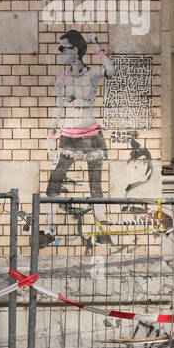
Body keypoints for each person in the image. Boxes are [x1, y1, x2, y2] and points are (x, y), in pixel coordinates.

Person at [45, 29, 115, 243]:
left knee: (95, 186)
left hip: (90, 134)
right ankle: (47, 231)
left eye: (63, 48)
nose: (60, 52)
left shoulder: (92, 73)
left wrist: (96, 45)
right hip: (68, 135)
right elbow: (58, 107)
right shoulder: (62, 77)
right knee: (53, 186)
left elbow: (111, 72)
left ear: (76, 50)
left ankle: (102, 232)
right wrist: (50, 135)